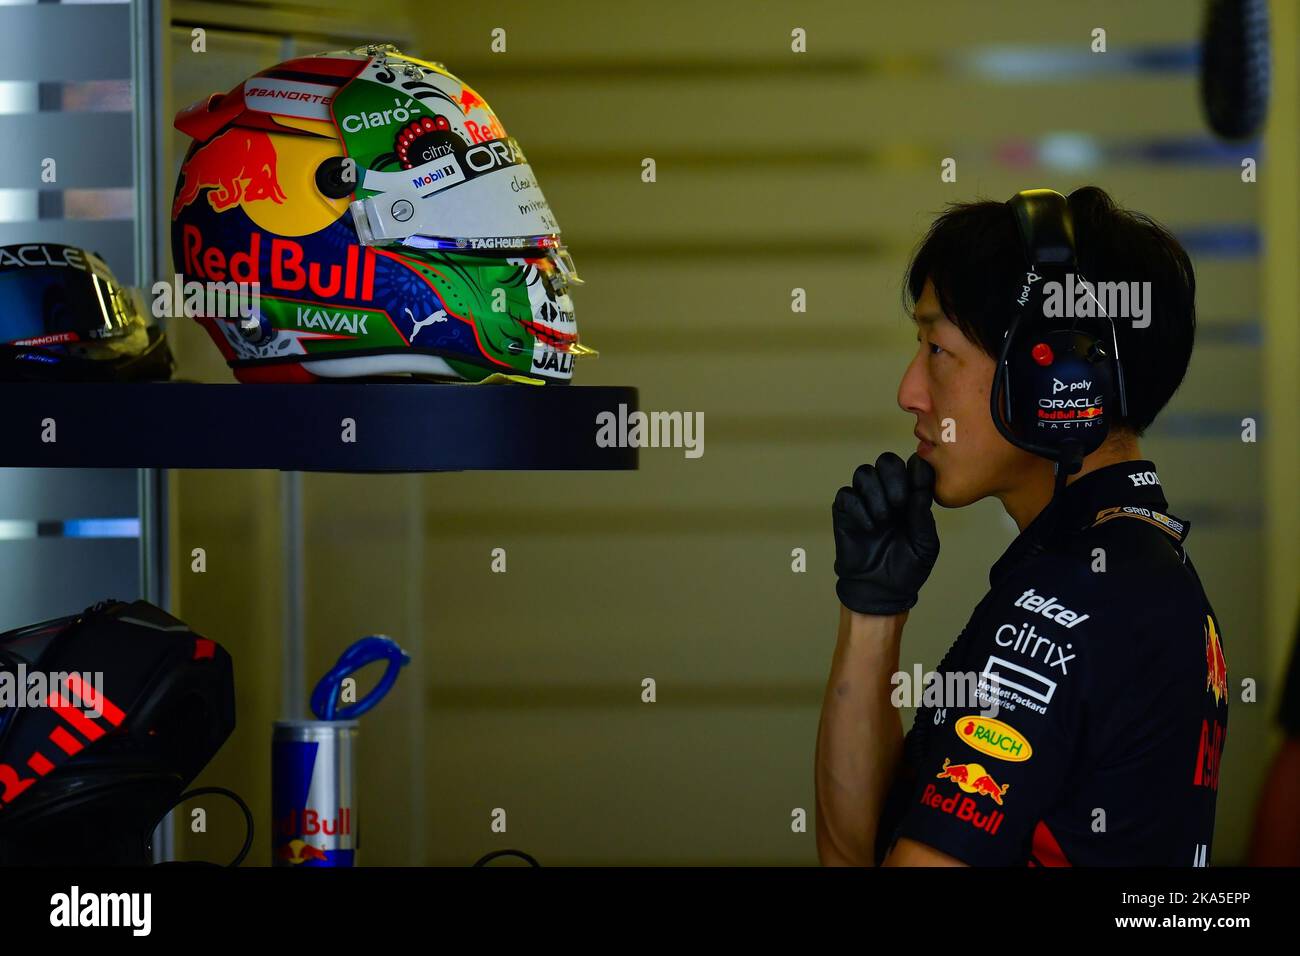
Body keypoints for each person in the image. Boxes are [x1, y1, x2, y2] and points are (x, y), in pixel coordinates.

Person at [817, 186, 1228, 866]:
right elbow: (860, 850)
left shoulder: (1067, 603)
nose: (909, 391)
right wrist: (872, 611)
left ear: (1056, 375)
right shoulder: (1132, 568)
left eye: (937, 349)